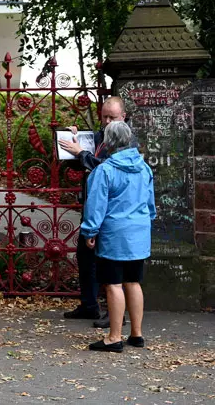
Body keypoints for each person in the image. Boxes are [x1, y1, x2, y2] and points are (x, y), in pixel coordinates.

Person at [58, 96, 137, 328]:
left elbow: (104, 167)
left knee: (110, 263)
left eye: (112, 117)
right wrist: (71, 142)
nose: (107, 121)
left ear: (124, 116)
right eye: (104, 117)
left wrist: (81, 152)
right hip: (94, 206)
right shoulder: (100, 136)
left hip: (112, 211)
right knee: (85, 257)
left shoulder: (127, 140)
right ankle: (89, 305)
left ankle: (116, 315)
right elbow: (82, 163)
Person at [80, 122, 155, 352]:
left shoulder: (105, 170)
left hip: (115, 234)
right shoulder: (144, 168)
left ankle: (114, 337)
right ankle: (137, 334)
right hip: (138, 233)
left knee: (113, 284)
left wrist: (90, 231)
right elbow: (150, 204)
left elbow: (96, 205)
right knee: (133, 281)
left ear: (107, 143)